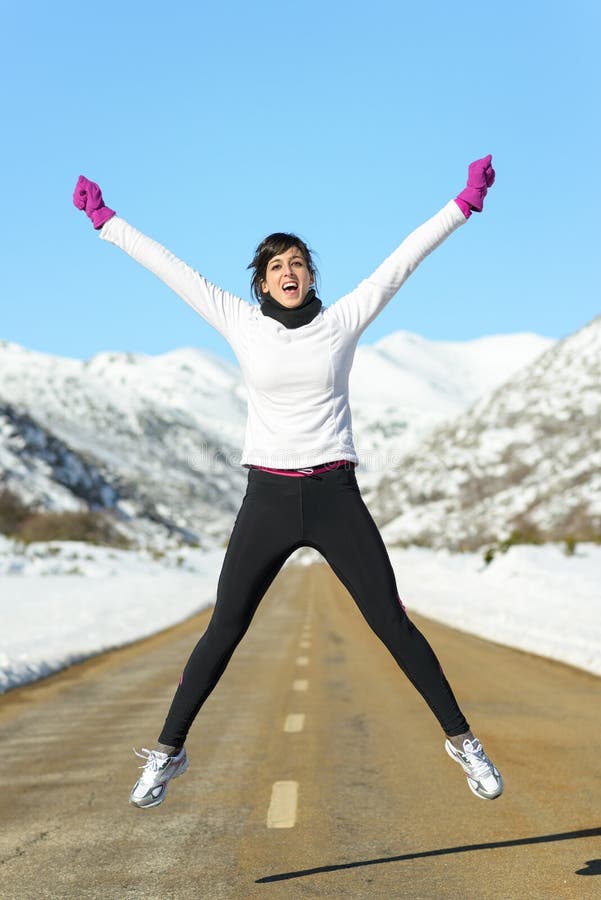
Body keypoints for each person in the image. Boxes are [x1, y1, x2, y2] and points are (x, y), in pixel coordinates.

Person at [73, 157, 503, 809]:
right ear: (261, 283)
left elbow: (399, 262)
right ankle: (168, 751)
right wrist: (106, 223)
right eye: (275, 266)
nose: (288, 272)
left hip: (333, 495)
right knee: (224, 626)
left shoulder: (341, 322)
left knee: (391, 623)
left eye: (297, 262)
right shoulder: (240, 322)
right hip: (267, 499)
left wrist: (462, 203)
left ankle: (462, 741)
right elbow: (171, 270)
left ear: (309, 275)